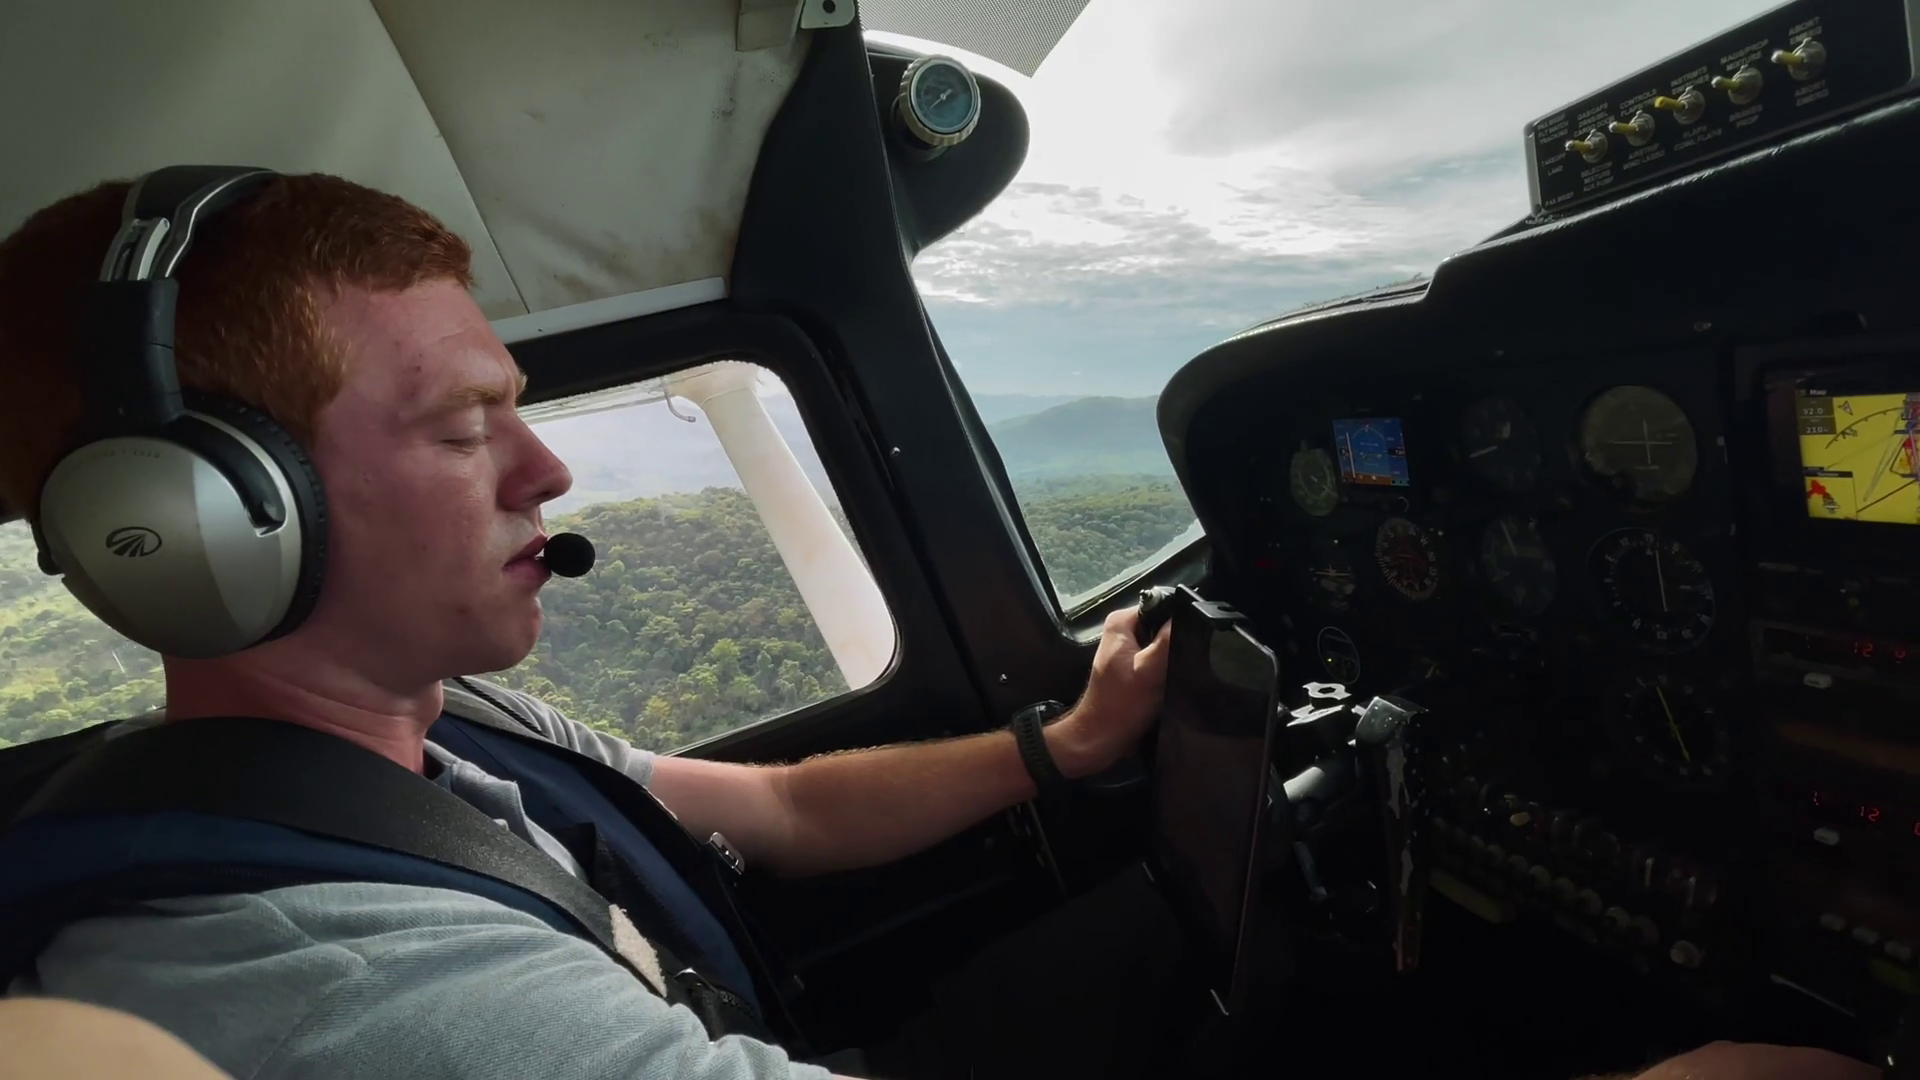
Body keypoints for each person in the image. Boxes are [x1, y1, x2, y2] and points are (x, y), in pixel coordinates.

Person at [0, 173, 1883, 1080]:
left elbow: (774, 817)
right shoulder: (330, 982)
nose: (549, 479)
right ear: (190, 534)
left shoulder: (437, 738)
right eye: (464, 426)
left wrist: (1065, 748)